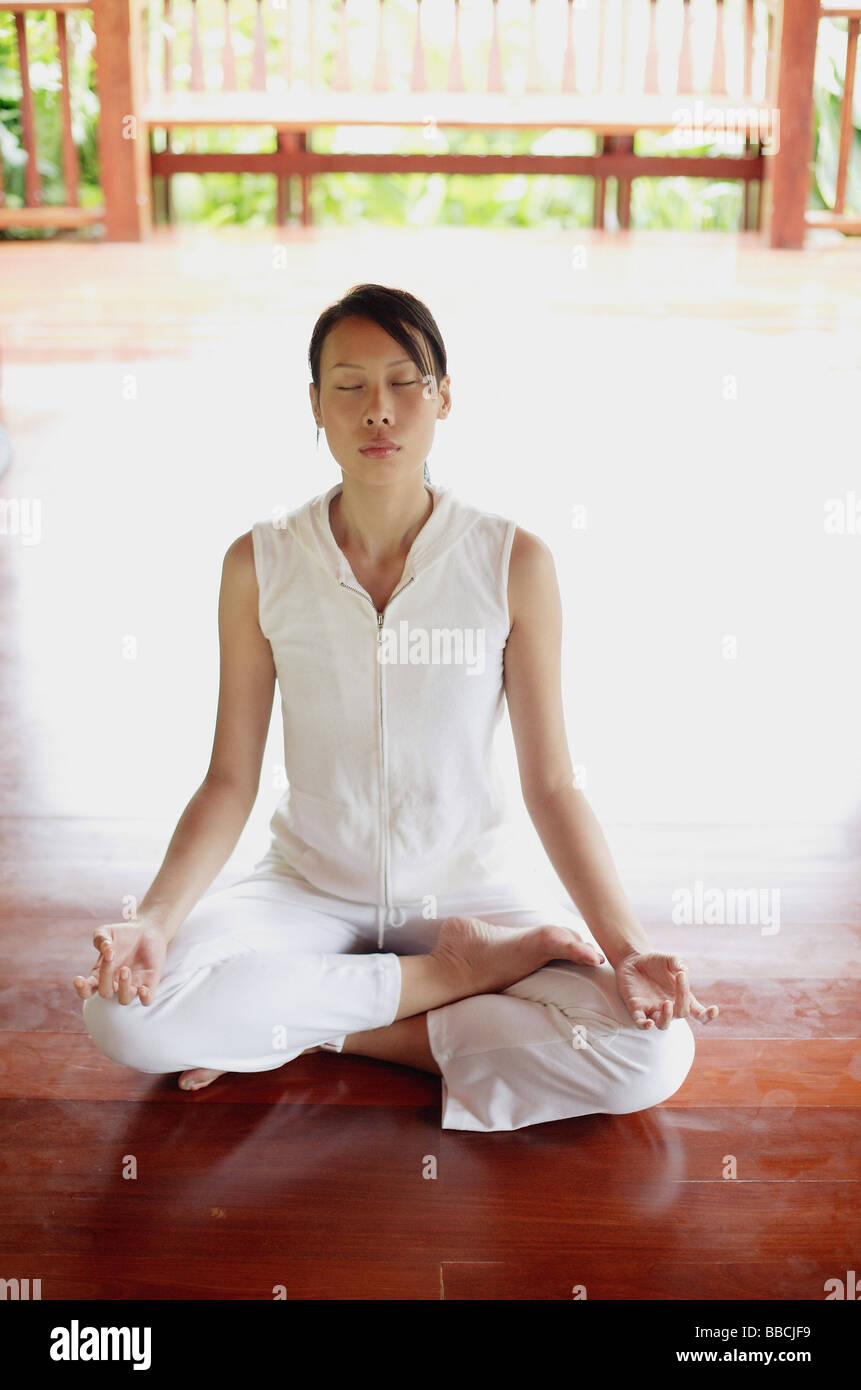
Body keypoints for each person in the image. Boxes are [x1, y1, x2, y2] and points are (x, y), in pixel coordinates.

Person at [74, 283, 718, 1133]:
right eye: (348, 385)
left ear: (443, 397)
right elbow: (228, 779)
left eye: (403, 382)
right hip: (309, 889)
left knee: (651, 1053)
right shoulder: (259, 562)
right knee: (122, 1016)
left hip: (472, 890)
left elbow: (553, 783)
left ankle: (301, 1027)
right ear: (315, 405)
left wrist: (629, 948)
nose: (377, 410)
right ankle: (441, 986)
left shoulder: (510, 560)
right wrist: (153, 921)